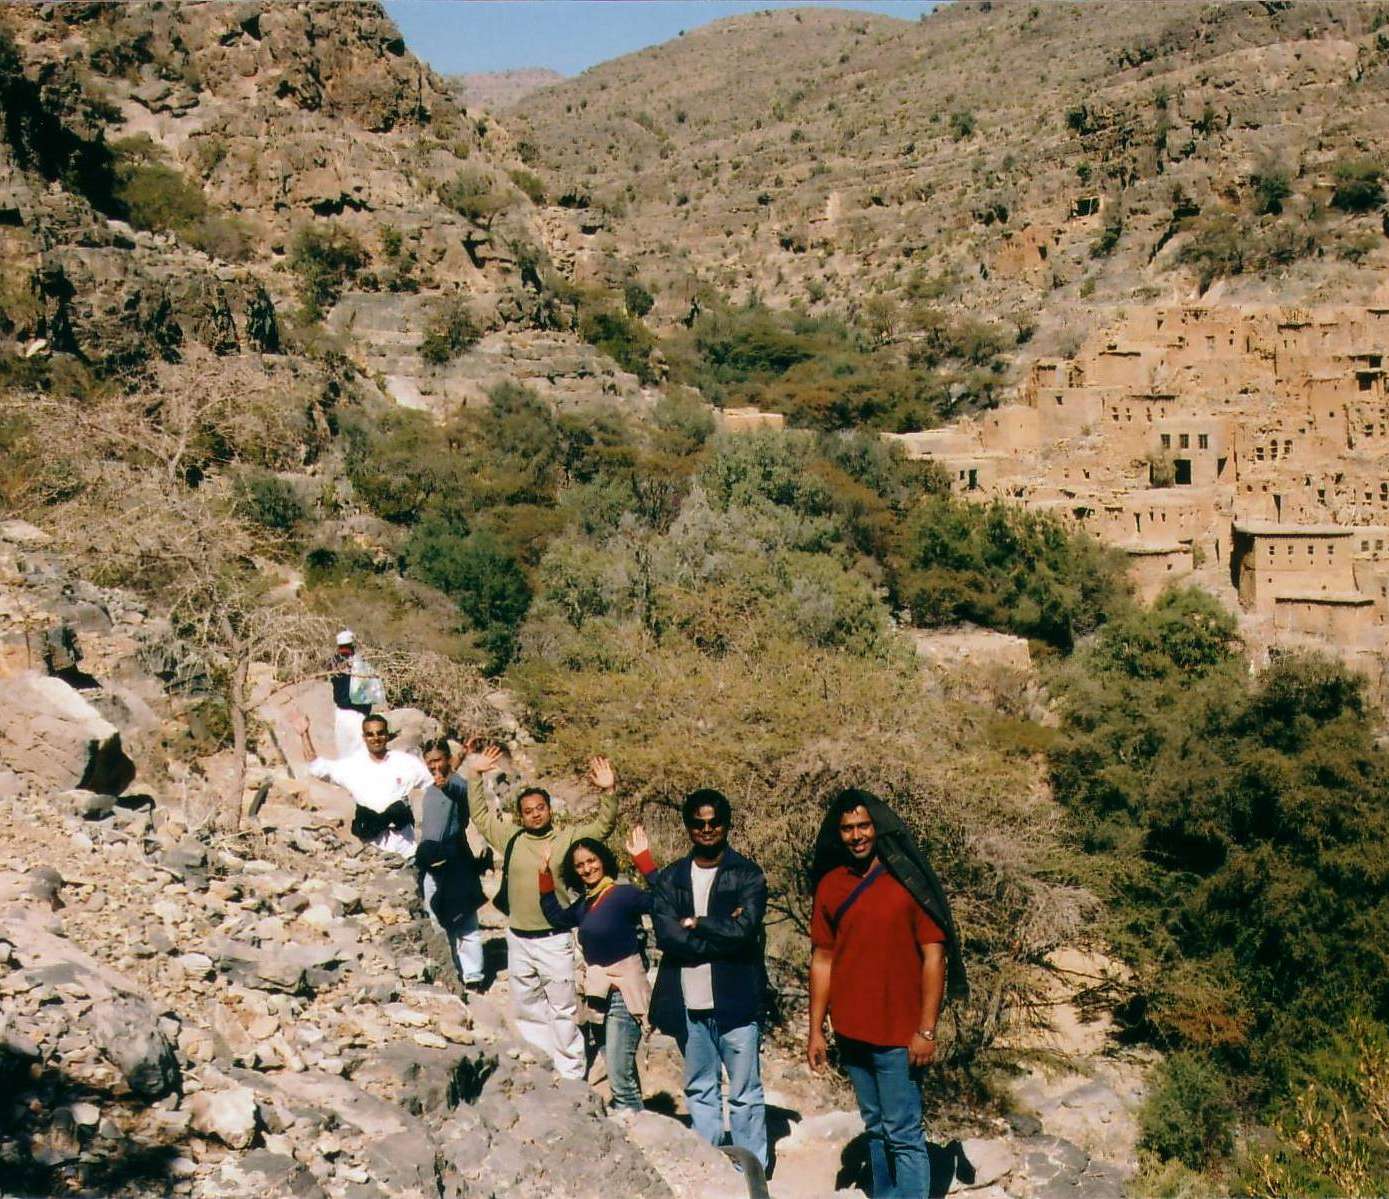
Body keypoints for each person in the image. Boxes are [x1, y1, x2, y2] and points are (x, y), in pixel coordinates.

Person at [806, 789, 966, 1199]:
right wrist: (816, 1030)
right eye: (847, 828)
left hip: (899, 1034)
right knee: (876, 1128)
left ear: (877, 828)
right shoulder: (830, 886)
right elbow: (822, 959)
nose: (856, 835)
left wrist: (926, 1031)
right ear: (837, 833)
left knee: (904, 1133)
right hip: (852, 1030)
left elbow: (935, 957)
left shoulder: (907, 881)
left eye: (863, 826)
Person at [466, 746, 619, 1081]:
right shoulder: (512, 838)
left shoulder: (567, 840)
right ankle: (541, 1063)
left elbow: (602, 827)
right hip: (518, 937)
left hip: (554, 939)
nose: (535, 815)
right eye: (528, 811)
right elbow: (479, 815)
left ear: (549, 810)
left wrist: (608, 791)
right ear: (520, 816)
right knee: (527, 1004)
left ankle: (571, 1073)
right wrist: (475, 775)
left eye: (540, 808)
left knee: (562, 1008)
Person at [651, 789, 769, 1171]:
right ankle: (712, 1168)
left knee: (745, 1093)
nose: (707, 829)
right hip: (688, 999)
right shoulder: (671, 877)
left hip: (736, 998)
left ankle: (751, 1172)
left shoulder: (747, 874)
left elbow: (746, 931)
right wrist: (722, 932)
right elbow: (668, 936)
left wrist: (698, 923)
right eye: (698, 823)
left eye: (714, 822)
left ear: (726, 824)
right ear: (688, 826)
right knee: (700, 1087)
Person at [539, 826, 658, 1113]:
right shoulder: (586, 903)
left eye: (591, 861)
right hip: (598, 994)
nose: (586, 868)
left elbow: (663, 900)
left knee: (619, 1077)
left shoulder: (623, 894)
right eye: (579, 865)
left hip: (622, 994)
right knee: (621, 1071)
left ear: (603, 860)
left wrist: (644, 860)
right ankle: (638, 1127)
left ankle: (640, 1134)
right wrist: (544, 875)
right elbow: (557, 917)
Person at [290, 710, 429, 859]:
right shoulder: (354, 766)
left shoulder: (406, 762)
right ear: (364, 737)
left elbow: (433, 785)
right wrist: (304, 734)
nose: (376, 738)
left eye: (380, 733)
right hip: (371, 850)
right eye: (370, 734)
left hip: (405, 846)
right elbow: (317, 768)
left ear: (387, 735)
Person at [417, 738, 487, 992]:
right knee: (435, 914)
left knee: (466, 919)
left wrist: (447, 780)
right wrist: (460, 756)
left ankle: (473, 976)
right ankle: (449, 969)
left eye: (438, 760)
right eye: (430, 762)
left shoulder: (456, 784)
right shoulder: (431, 782)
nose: (434, 766)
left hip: (455, 857)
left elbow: (453, 786)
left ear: (448, 759)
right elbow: (443, 772)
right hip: (430, 857)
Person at [330, 629, 385, 757]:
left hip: (342, 712)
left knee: (344, 750)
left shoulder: (334, 662)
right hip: (357, 713)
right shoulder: (359, 663)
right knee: (360, 751)